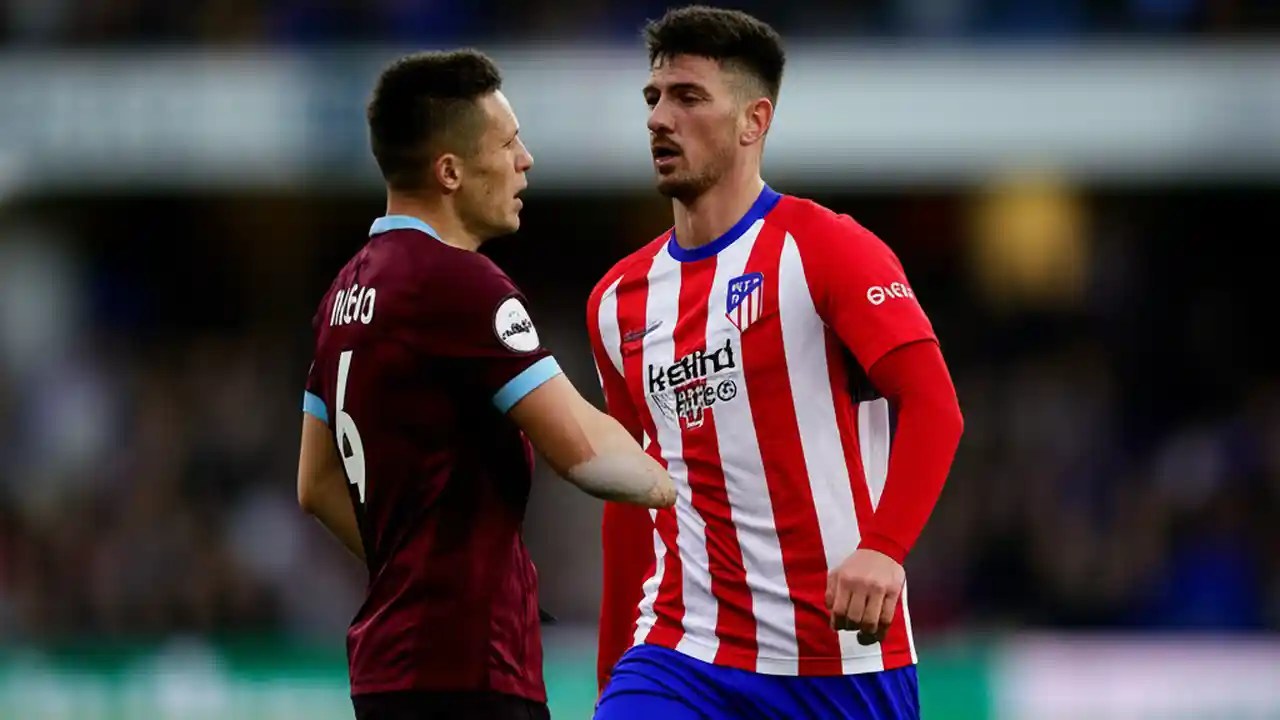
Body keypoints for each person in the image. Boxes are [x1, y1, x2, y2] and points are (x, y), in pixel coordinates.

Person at [586, 7, 964, 719]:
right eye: (653, 97)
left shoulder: (827, 248)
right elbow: (630, 491)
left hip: (839, 661)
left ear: (753, 121)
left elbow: (936, 407)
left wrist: (883, 548)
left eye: (689, 97)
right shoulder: (617, 302)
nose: (659, 118)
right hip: (683, 655)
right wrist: (613, 675)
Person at [295, 49, 675, 720]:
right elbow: (581, 450)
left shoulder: (344, 292)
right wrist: (686, 485)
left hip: (388, 665)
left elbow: (316, 484)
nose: (525, 159)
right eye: (507, 142)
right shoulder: (458, 284)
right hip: (466, 667)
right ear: (450, 172)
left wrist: (414, 566)